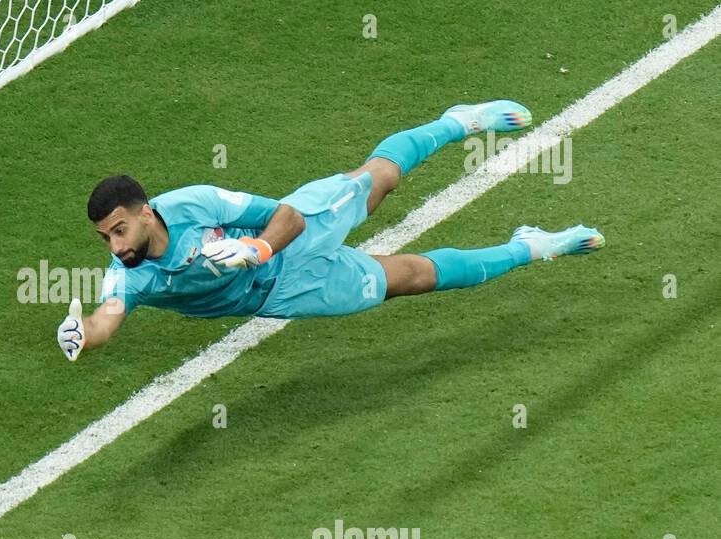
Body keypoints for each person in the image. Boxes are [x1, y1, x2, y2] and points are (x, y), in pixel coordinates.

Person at [56, 100, 604, 361]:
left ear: (146, 212)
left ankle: (457, 122)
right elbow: (107, 318)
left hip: (292, 237)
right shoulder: (129, 278)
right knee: (411, 278)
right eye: (106, 239)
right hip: (287, 293)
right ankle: (529, 247)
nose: (117, 247)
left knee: (380, 180)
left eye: (120, 230)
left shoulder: (194, 203)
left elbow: (288, 215)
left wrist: (256, 248)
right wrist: (81, 331)